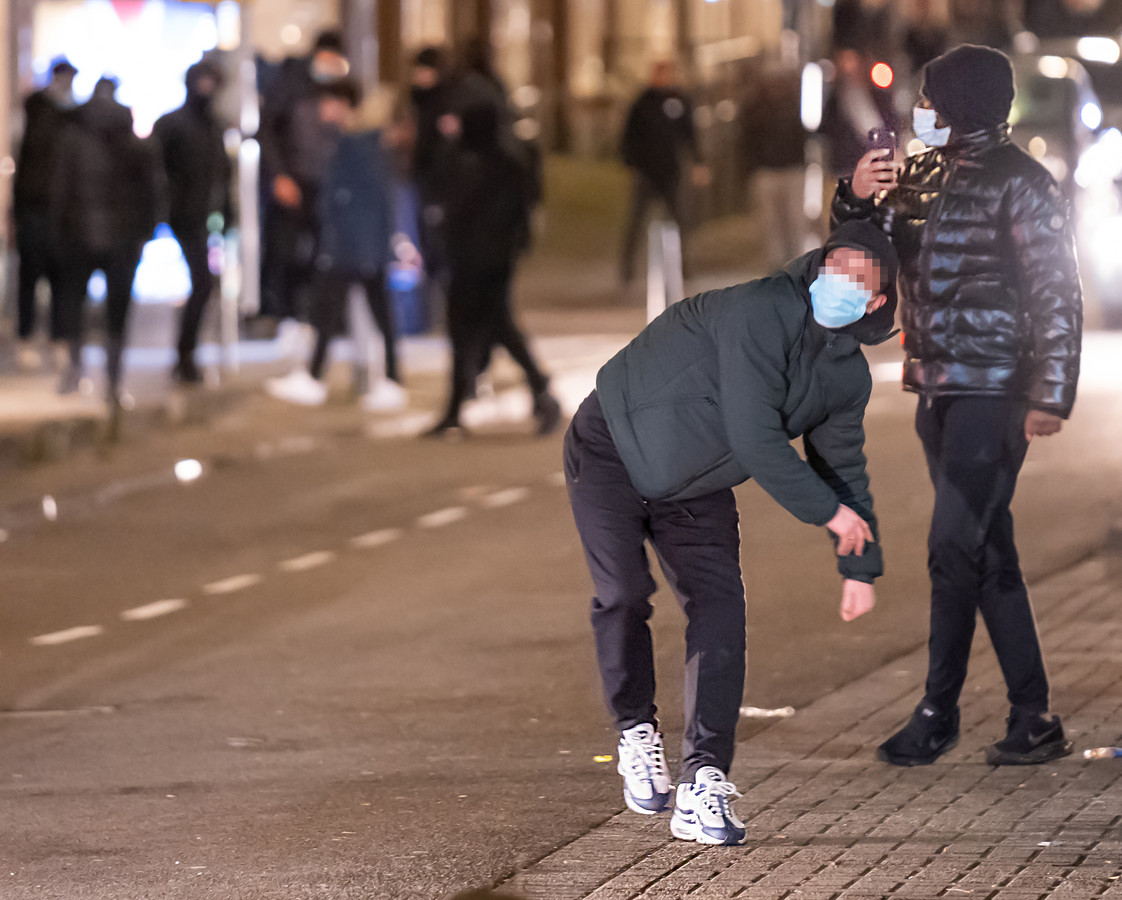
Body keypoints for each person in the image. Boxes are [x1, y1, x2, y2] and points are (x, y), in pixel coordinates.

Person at [564, 219, 897, 845]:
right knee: (625, 591)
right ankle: (636, 729)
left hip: (695, 483)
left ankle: (704, 780)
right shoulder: (760, 310)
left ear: (876, 301)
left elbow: (843, 467)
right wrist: (827, 514)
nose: (841, 282)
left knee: (721, 608)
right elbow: (755, 437)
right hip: (612, 442)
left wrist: (858, 564)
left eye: (859, 278)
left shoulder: (846, 377)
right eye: (835, 267)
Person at [834, 44, 1082, 767]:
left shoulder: (1024, 186)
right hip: (936, 387)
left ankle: (937, 712)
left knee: (952, 548)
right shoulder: (922, 177)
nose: (922, 114)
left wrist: (1050, 395)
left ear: (962, 103)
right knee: (987, 552)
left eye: (931, 100)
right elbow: (865, 256)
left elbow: (1055, 298)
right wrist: (856, 197)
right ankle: (1032, 718)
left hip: (995, 391)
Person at [265, 79, 403, 411]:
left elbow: (361, 198)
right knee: (356, 313)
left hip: (351, 246)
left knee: (338, 311)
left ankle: (322, 378)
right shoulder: (358, 143)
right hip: (356, 245)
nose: (323, 111)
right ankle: (379, 380)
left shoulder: (356, 145)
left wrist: (353, 241)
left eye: (329, 103)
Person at [425, 103, 560, 438]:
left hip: (473, 262)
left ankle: (535, 389)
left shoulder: (471, 164)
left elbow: (456, 211)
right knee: (495, 329)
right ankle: (535, 391)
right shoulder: (508, 164)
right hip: (494, 262)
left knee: (476, 330)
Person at [50, 77, 160, 404]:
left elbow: (60, 191)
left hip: (78, 237)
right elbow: (152, 191)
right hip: (122, 239)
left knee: (74, 305)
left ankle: (75, 370)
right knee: (117, 312)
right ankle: (112, 380)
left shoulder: (72, 137)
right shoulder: (131, 139)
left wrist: (59, 232)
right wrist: (146, 232)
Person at [256, 30, 350, 326]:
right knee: (285, 252)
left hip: (328, 187)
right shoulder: (290, 84)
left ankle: (319, 318)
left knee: (323, 255)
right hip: (293, 184)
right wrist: (280, 175)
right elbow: (268, 130)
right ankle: (283, 315)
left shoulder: (340, 89)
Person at [152, 60, 232, 385]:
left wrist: (226, 213)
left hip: (203, 217)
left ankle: (186, 355)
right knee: (202, 282)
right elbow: (156, 172)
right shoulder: (173, 124)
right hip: (182, 217)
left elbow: (221, 173)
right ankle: (184, 356)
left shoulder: (213, 126)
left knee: (204, 283)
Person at [12, 58, 77, 369]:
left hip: (59, 215)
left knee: (60, 281)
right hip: (35, 212)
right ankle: (26, 339)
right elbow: (24, 171)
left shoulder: (72, 118)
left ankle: (57, 340)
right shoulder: (39, 112)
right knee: (31, 278)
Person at [619, 60, 709, 284]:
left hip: (671, 172)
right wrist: (630, 163)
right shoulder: (642, 102)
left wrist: (698, 162)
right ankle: (626, 268)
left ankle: (684, 265)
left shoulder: (679, 100)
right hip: (646, 172)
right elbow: (629, 135)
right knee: (636, 222)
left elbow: (690, 134)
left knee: (680, 220)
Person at [739, 66, 811, 270]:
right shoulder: (755, 109)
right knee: (770, 222)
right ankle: (776, 264)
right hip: (766, 170)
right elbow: (746, 141)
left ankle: (797, 262)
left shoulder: (794, 105)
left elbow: (802, 136)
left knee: (795, 219)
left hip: (792, 169)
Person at [820, 47, 897, 179]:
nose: (848, 68)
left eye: (851, 61)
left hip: (873, 166)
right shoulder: (836, 99)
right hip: (845, 167)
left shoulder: (879, 97)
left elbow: (891, 124)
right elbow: (826, 129)